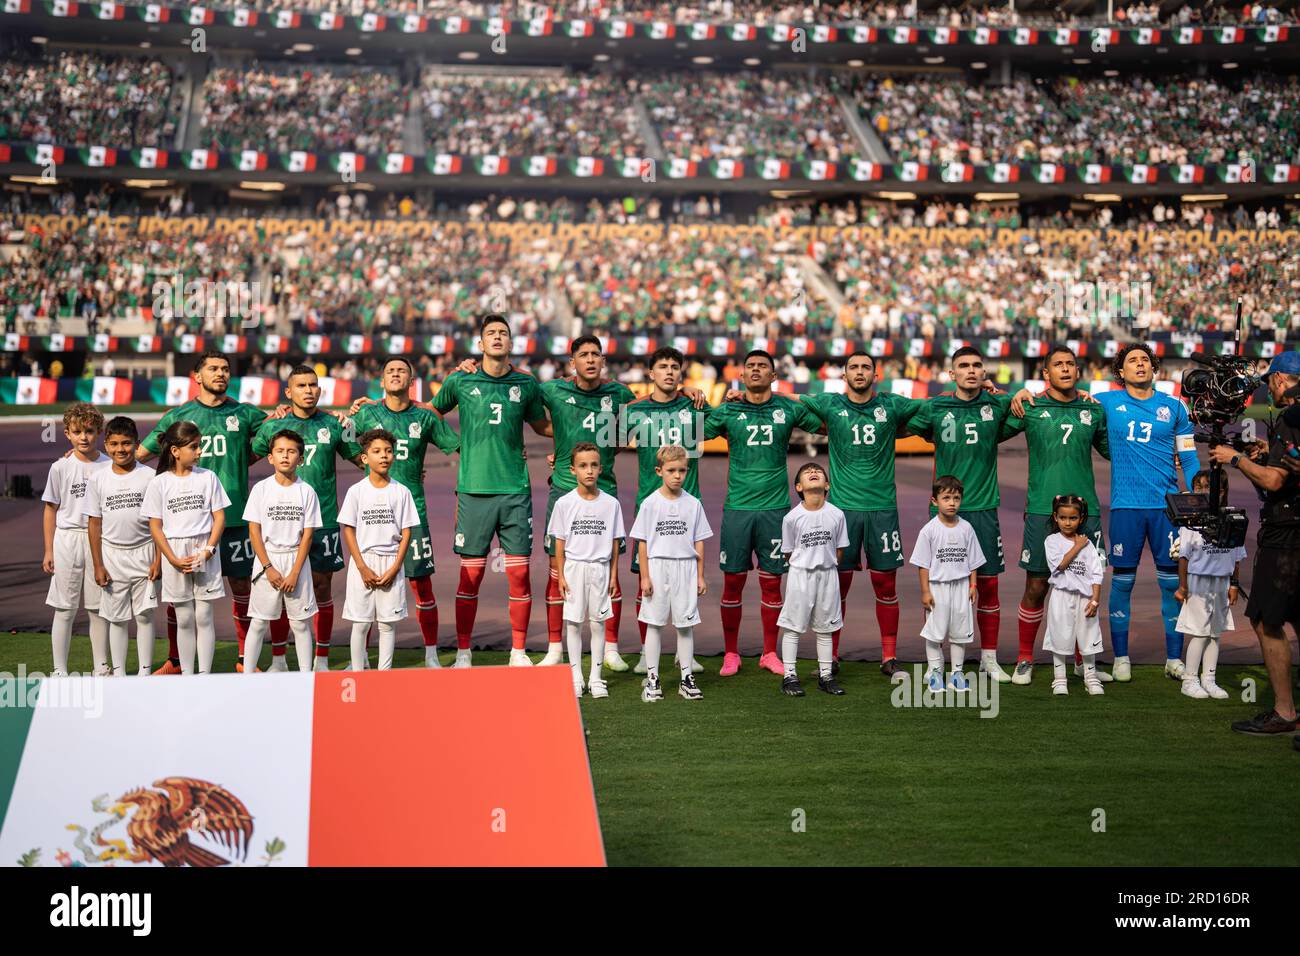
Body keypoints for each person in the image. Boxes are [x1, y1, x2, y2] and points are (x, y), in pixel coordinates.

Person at [1013, 343, 1199, 681]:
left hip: (1151, 508)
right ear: (1120, 372)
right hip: (1101, 507)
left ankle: (1161, 659)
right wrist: (1014, 392)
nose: (1140, 364)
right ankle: (1044, 658)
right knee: (1050, 585)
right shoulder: (1102, 403)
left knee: (1161, 583)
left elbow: (1182, 453)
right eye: (1132, 360)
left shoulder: (1167, 407)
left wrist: (1193, 485)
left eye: (1146, 359)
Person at [139, 351, 272, 674]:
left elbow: (281, 432)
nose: (221, 373)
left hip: (235, 516)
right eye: (213, 369)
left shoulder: (244, 413)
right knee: (179, 595)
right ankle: (175, 660)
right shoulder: (179, 415)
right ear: (196, 376)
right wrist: (96, 461)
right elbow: (140, 454)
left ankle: (244, 659)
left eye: (225, 369)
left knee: (242, 586)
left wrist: (249, 456)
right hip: (187, 525)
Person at [430, 315, 550, 668]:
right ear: (480, 344)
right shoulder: (461, 379)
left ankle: (517, 652)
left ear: (511, 343)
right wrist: (456, 446)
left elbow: (541, 423)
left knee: (519, 573)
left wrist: (569, 435)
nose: (497, 337)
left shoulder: (526, 384)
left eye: (503, 333)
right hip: (474, 491)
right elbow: (429, 415)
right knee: (472, 574)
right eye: (490, 334)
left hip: (515, 490)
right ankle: (464, 652)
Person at [798, 351, 924, 677]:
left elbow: (931, 407)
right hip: (842, 512)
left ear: (875, 374)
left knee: (885, 584)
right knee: (836, 586)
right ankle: (832, 657)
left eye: (865, 367)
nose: (859, 371)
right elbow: (789, 398)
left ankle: (889, 657)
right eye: (853, 367)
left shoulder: (892, 405)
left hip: (882, 510)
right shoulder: (831, 404)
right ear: (845, 375)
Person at [704, 349, 822, 677]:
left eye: (763, 367)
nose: (756, 370)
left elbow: (827, 425)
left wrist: (792, 395)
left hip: (774, 511)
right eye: (750, 366)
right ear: (742, 375)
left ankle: (769, 652)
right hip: (738, 509)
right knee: (733, 584)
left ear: (773, 376)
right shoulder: (728, 410)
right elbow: (695, 433)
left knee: (772, 585)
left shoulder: (787, 408)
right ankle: (731, 653)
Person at [1000, 345, 1110, 685]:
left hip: (1086, 513)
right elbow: (991, 430)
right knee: (1035, 586)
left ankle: (1082, 660)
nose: (1065, 369)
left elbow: (1113, 451)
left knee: (1086, 587)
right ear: (1045, 374)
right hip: (1041, 513)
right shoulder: (1030, 406)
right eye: (1057, 365)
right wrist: (1008, 395)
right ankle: (1024, 659)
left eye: (1070, 364)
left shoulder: (1094, 410)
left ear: (1078, 372)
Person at [908, 348, 1017, 683]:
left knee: (988, 585)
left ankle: (988, 658)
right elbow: (905, 422)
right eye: (963, 366)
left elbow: (1029, 404)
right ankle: (937, 664)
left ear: (985, 371)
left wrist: (1019, 393)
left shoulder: (997, 404)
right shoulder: (935, 406)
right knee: (937, 588)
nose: (971, 370)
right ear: (951, 373)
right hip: (943, 513)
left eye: (976, 365)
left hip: (983, 509)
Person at [346, 357, 460, 667]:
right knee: (369, 587)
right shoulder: (367, 412)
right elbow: (338, 438)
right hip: (373, 515)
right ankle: (364, 660)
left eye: (402, 372)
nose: (396, 374)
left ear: (411, 382)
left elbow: (462, 448)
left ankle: (431, 656)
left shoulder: (426, 416)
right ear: (381, 381)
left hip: (414, 513)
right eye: (390, 371)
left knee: (421, 584)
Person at [1212, 352, 1300, 739]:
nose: (1269, 390)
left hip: (1288, 534)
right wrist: (1269, 456)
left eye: (1270, 382)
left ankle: (1284, 711)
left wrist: (1235, 459)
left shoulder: (1292, 417)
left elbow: (1275, 482)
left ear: (1282, 379)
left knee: (1266, 618)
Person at [252, 365, 358, 671]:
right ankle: (279, 660)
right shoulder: (274, 426)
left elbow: (362, 458)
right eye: (301, 386)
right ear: (289, 392)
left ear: (320, 390)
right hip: (281, 524)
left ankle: (321, 659)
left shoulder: (334, 424)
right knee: (281, 590)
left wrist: (352, 417)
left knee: (322, 588)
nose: (308, 390)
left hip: (323, 520)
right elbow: (248, 454)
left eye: (313, 385)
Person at [625, 346, 707, 676]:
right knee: (646, 582)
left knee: (687, 582)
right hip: (650, 506)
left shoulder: (697, 406)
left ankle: (684, 655)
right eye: (663, 366)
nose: (669, 371)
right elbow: (606, 445)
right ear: (651, 373)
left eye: (675, 366)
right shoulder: (633, 412)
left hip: (688, 508)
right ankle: (648, 652)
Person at [142, 421, 229, 675]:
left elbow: (219, 517)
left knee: (204, 615)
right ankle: (188, 674)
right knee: (185, 617)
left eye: (198, 446)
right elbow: (155, 526)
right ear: (175, 451)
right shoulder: (159, 483)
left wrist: (209, 550)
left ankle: (204, 674)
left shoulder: (208, 477)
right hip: (175, 553)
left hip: (205, 550)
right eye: (194, 447)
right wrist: (171, 559)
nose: (199, 451)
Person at [630, 444, 710, 703]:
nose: (677, 475)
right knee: (654, 623)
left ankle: (687, 678)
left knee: (685, 625)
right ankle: (652, 680)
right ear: (659, 471)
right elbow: (642, 542)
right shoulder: (650, 503)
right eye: (671, 470)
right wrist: (644, 576)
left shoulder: (693, 503)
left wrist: (699, 575)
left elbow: (699, 540)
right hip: (657, 567)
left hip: (685, 568)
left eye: (682, 470)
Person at [547, 443, 625, 699]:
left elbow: (615, 542)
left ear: (601, 468)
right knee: (573, 623)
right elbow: (559, 541)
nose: (589, 471)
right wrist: (561, 575)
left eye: (593, 465)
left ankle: (596, 678)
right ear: (572, 470)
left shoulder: (611, 504)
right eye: (583, 466)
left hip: (600, 570)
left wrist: (613, 574)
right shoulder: (564, 503)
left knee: (599, 624)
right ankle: (576, 677)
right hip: (574, 568)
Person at [242, 430, 322, 673]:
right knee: (258, 622)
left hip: (296, 561)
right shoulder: (261, 489)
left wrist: (295, 572)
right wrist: (268, 567)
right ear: (270, 457)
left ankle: (306, 678)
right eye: (280, 451)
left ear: (300, 458)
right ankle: (246, 676)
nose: (285, 456)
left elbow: (308, 535)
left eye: (291, 451)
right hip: (267, 561)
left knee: (300, 624)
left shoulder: (306, 491)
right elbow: (254, 531)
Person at [85, 416, 160, 676]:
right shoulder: (97, 479)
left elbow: (157, 523)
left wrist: (158, 560)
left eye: (127, 443)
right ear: (106, 444)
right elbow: (94, 524)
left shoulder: (150, 476)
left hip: (145, 553)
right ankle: (118, 674)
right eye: (115, 444)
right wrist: (98, 565)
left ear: (137, 444)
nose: (121, 449)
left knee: (144, 616)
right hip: (112, 556)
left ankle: (144, 672)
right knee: (117, 618)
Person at [339, 429, 418, 672]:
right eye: (376, 452)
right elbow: (348, 530)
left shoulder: (401, 491)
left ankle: (384, 677)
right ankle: (358, 673)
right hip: (363, 563)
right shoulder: (356, 491)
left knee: (387, 624)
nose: (384, 456)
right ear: (364, 459)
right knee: (361, 624)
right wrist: (362, 567)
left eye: (388, 451)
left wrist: (395, 568)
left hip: (391, 563)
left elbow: (406, 532)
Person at [43, 402, 111, 676]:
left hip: (100, 540)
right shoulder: (60, 467)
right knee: (65, 608)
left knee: (97, 609)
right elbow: (50, 509)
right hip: (67, 539)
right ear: (68, 434)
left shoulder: (109, 465)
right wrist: (48, 549)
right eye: (77, 431)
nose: (84, 437)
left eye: (90, 431)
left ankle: (102, 668)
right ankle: (59, 670)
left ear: (99, 433)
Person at [776, 463, 849, 698]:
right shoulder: (792, 518)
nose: (813, 473)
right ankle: (789, 676)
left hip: (827, 574)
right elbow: (788, 552)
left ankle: (825, 676)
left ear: (827, 484)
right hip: (801, 575)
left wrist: (824, 563)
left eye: (818, 472)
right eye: (807, 473)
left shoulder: (837, 515)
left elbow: (839, 550)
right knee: (793, 626)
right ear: (799, 487)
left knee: (825, 627)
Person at [1174, 472, 1246, 701]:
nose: (1204, 492)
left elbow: (1236, 556)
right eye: (1199, 487)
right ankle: (1190, 680)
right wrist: (1183, 587)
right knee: (1199, 633)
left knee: (1215, 634)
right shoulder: (1189, 521)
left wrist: (1234, 584)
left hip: (1222, 582)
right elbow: (1183, 558)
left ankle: (1209, 679)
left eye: (1210, 488)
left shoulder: (1232, 517)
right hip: (1198, 581)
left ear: (1223, 492)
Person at [910, 476, 985, 694]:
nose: (952, 503)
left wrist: (973, 585)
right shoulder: (929, 530)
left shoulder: (967, 528)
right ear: (935, 501)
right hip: (937, 588)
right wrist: (925, 592)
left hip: (961, 587)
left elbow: (973, 561)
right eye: (946, 498)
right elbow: (923, 565)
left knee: (960, 632)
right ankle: (935, 673)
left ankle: (957, 674)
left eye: (956, 498)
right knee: (935, 632)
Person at [1042, 495, 1107, 697]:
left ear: (1081, 518)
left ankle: (1090, 676)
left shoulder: (1088, 545)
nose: (1067, 522)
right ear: (1055, 517)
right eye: (1062, 518)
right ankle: (1060, 678)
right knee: (1060, 636)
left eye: (1072, 518)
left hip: (1085, 598)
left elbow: (1096, 573)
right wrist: (1077, 546)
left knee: (1088, 636)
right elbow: (1059, 565)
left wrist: (1095, 599)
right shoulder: (1052, 541)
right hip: (1061, 597)